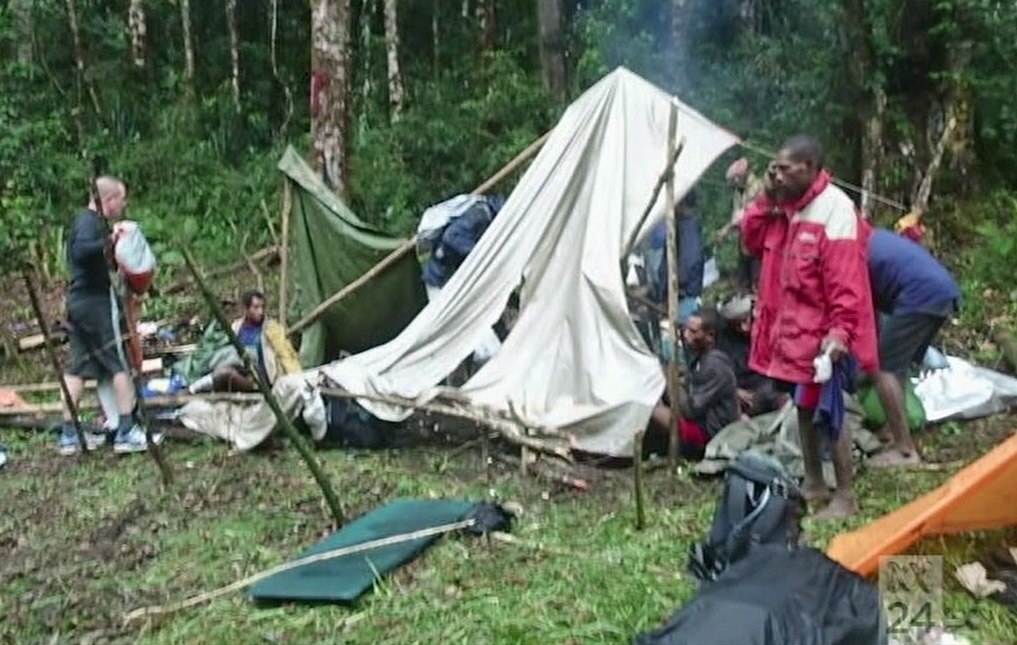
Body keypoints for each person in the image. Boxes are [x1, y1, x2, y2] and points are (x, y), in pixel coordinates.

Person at [740, 135, 879, 519]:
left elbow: (847, 283)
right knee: (803, 406)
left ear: (812, 169)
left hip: (823, 335)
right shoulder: (780, 206)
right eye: (774, 168)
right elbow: (750, 242)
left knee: (831, 411)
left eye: (786, 169)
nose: (777, 175)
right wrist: (765, 197)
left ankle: (846, 496)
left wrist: (839, 335)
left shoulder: (834, 211)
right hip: (791, 335)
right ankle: (815, 482)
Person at [60, 176, 155, 455]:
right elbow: (81, 251)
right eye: (121, 200)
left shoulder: (88, 222)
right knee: (118, 362)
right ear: (110, 199)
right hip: (95, 303)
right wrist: (110, 239)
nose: (122, 206)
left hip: (79, 303)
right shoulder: (89, 222)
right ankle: (126, 430)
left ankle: (69, 433)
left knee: (77, 367)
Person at [866, 228, 960, 467]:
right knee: (897, 363)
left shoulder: (849, 249)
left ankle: (905, 451)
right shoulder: (869, 236)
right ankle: (894, 428)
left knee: (882, 368)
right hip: (940, 291)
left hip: (920, 295)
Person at [651, 309, 739, 459]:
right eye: (686, 330)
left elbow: (690, 410)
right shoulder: (701, 357)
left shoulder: (714, 365)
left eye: (693, 332)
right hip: (701, 422)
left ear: (710, 336)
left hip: (710, 434)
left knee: (654, 412)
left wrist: (669, 380)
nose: (686, 335)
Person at [187, 290, 301, 393]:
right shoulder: (236, 327)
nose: (260, 311)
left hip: (261, 382)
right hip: (241, 373)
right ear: (246, 309)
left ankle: (191, 390)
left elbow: (286, 354)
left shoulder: (271, 329)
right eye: (256, 307)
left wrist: (296, 378)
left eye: (262, 307)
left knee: (225, 374)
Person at [715, 295, 787, 416]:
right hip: (737, 389)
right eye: (737, 324)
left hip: (768, 385)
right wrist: (735, 391)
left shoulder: (767, 327)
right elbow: (719, 371)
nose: (743, 328)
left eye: (745, 320)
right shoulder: (723, 339)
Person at [648, 191, 706, 326]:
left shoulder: (688, 228)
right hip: (679, 295)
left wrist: (676, 291)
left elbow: (691, 262)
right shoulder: (679, 226)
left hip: (683, 297)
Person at [716, 158, 764, 292]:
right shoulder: (738, 192)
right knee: (743, 280)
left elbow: (748, 213)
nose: (733, 184)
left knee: (757, 280)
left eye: (734, 180)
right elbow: (736, 215)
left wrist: (728, 228)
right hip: (744, 242)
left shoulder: (758, 188)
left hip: (758, 242)